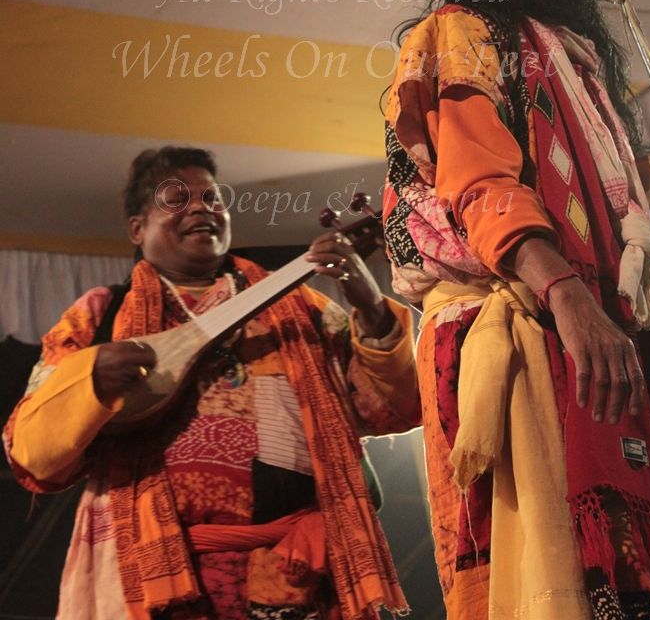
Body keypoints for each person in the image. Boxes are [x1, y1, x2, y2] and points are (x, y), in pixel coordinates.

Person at [382, 0, 650, 620]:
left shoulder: (578, 53)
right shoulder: (462, 32)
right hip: (529, 318)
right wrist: (571, 300)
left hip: (599, 326)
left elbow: (587, 193)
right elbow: (479, 184)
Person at [4, 146, 420, 620]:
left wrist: (370, 307)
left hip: (295, 573)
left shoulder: (304, 308)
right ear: (137, 229)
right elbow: (31, 452)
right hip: (153, 572)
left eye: (212, 198)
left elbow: (391, 408)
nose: (201, 207)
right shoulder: (101, 315)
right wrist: (91, 380)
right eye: (177, 199)